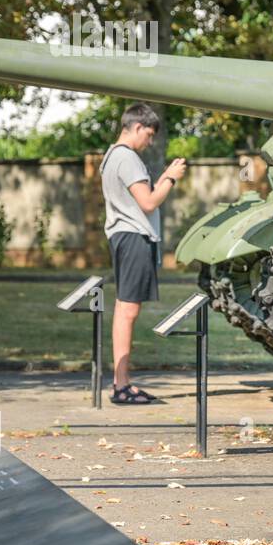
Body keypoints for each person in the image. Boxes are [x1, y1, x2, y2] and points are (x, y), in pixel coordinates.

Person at [101, 103, 187, 404]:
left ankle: (120, 382)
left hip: (122, 237)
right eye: (148, 135)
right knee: (128, 311)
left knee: (124, 310)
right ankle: (121, 387)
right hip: (134, 238)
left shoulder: (112, 156)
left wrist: (163, 176)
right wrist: (171, 178)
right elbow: (148, 203)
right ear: (137, 127)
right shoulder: (128, 158)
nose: (149, 141)